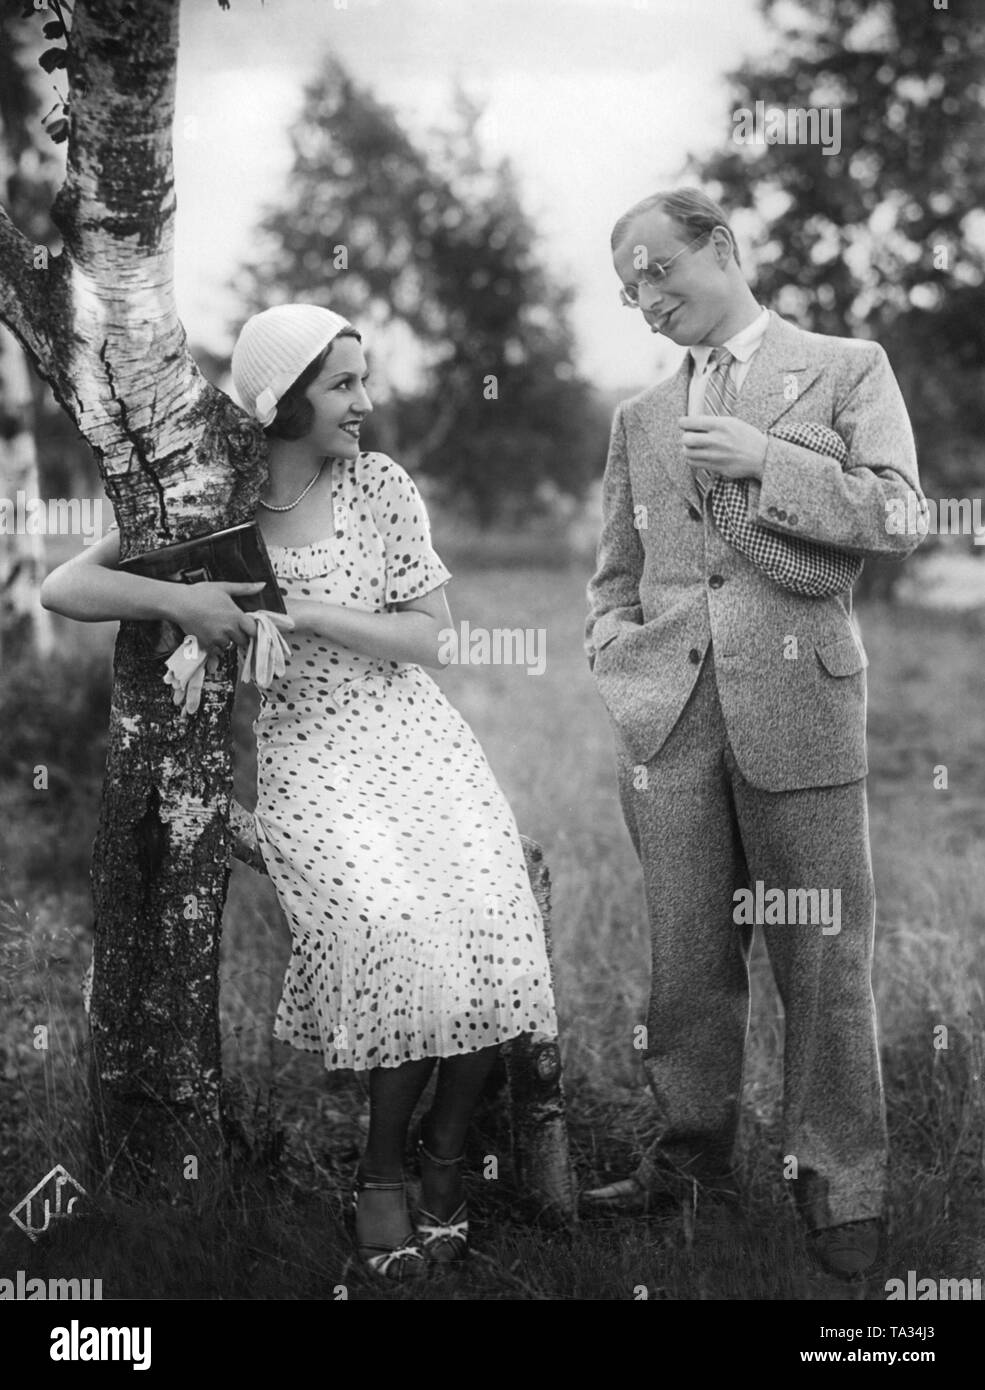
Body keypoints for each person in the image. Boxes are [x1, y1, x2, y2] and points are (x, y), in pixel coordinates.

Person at [41, 303, 558, 1282]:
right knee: (390, 921)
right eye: (344, 384)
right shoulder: (208, 502)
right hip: (310, 750)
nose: (366, 401)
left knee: (494, 923)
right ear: (282, 398)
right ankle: (382, 1167)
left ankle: (446, 1161)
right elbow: (64, 587)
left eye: (363, 380)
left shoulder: (379, 486)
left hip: (415, 736)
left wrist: (304, 609)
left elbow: (430, 635)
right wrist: (180, 598)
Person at [583, 188, 926, 1280]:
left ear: (721, 248)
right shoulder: (636, 419)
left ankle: (842, 1185)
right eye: (628, 286)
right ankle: (689, 1161)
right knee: (683, 960)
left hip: (802, 711)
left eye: (658, 272)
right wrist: (617, 657)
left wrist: (762, 460)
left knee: (823, 957)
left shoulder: (847, 366)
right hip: (669, 725)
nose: (644, 299)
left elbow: (898, 512)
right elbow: (611, 577)